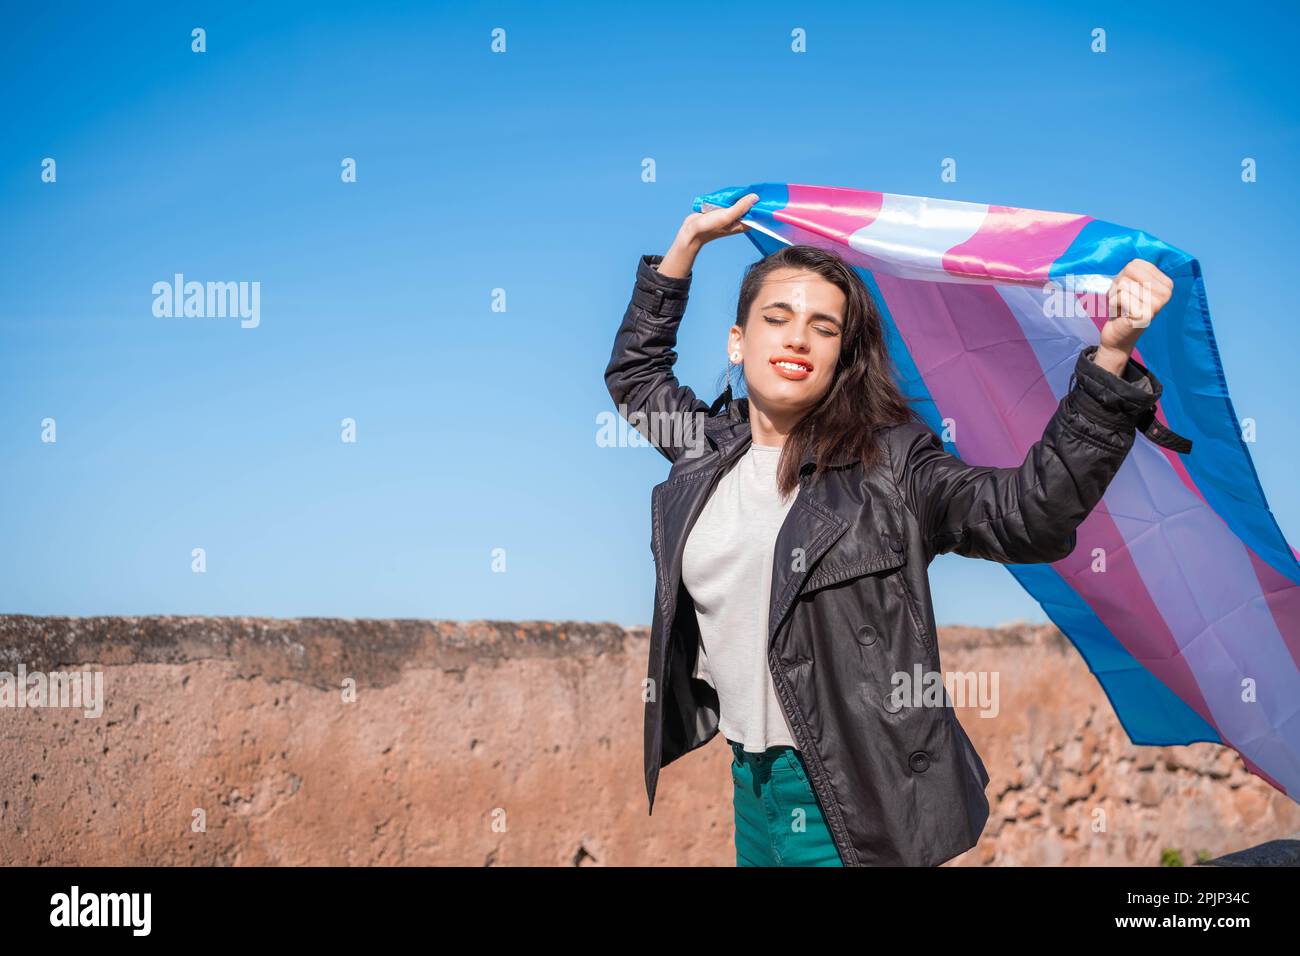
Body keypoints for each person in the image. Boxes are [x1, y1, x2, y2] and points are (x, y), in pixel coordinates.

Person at [605, 193, 1177, 866]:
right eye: (777, 316)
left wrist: (1110, 359)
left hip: (854, 791)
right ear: (738, 340)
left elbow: (1030, 516)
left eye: (823, 326)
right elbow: (635, 375)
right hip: (751, 782)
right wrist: (687, 246)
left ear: (843, 354)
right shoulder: (705, 448)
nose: (796, 337)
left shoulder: (891, 463)